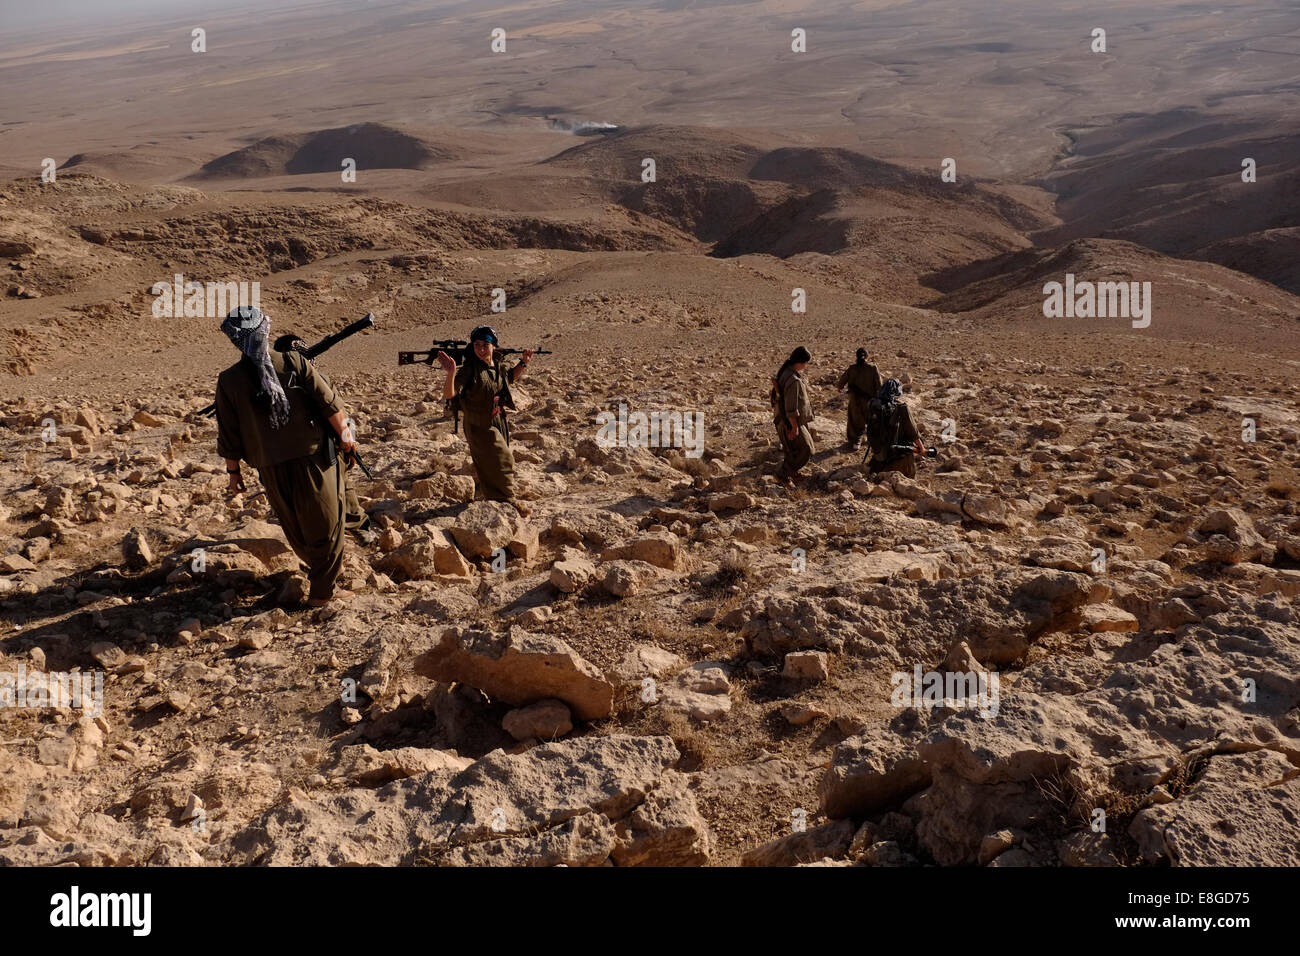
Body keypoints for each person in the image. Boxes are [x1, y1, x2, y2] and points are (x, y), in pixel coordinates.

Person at [215, 305, 360, 607]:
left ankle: (319, 574)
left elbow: (229, 433)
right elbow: (332, 406)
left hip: (269, 466)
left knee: (295, 524)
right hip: (313, 461)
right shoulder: (294, 363)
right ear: (264, 331)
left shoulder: (229, 380)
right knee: (328, 525)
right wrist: (348, 443)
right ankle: (322, 594)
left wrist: (234, 473)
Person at [437, 325, 534, 517]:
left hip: (498, 419)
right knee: (503, 461)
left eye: (485, 345)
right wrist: (451, 373)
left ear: (494, 346)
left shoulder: (498, 364)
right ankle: (509, 500)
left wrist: (523, 363)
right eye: (477, 345)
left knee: (491, 462)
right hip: (478, 424)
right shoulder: (470, 370)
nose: (481, 349)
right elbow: (449, 393)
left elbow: (508, 378)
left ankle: (492, 496)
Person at [864, 378, 927, 479]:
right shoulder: (901, 408)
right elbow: (913, 433)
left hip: (879, 455)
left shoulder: (873, 405)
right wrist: (922, 449)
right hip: (898, 457)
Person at [772, 346, 815, 487]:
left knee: (793, 449)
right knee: (807, 448)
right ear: (801, 362)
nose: (806, 366)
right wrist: (794, 427)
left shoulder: (787, 372)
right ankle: (784, 474)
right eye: (806, 363)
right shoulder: (793, 380)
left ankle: (792, 473)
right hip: (790, 421)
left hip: (786, 420)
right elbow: (791, 407)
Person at [836, 347, 882, 449]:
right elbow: (879, 386)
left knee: (855, 422)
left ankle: (856, 442)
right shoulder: (873, 368)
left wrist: (842, 390)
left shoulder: (852, 368)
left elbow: (840, 384)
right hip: (870, 401)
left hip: (855, 401)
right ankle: (873, 441)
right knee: (871, 421)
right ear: (867, 356)